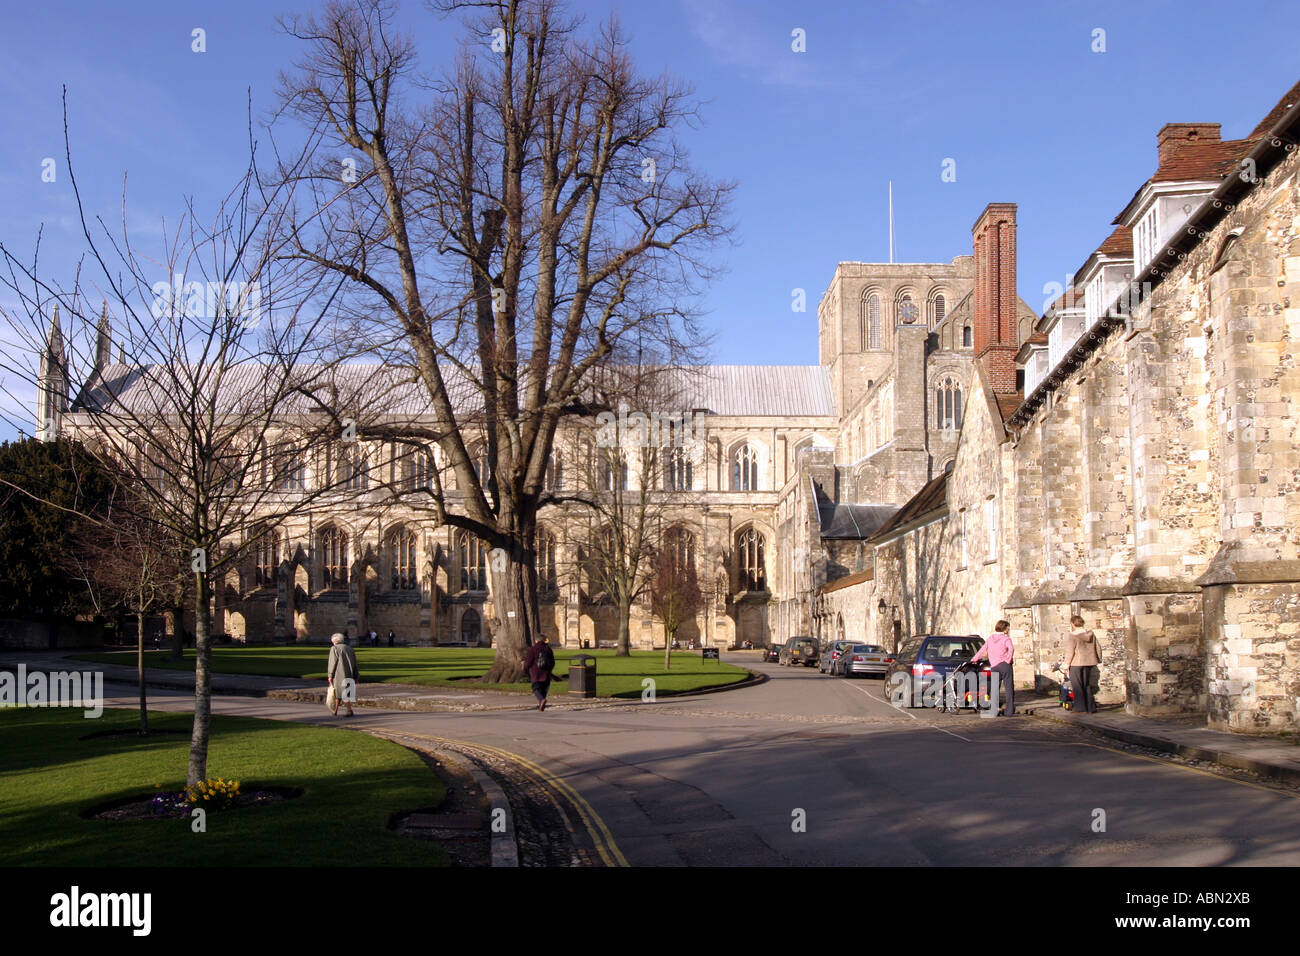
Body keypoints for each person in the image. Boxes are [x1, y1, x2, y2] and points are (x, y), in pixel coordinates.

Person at [969, 620, 1016, 716]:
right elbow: (1011, 650)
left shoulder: (990, 639)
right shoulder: (1006, 639)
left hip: (994, 666)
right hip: (1005, 665)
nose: (1008, 629)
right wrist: (1007, 660)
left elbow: (982, 650)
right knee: (1009, 688)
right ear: (1004, 628)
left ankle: (994, 710)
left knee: (994, 689)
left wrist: (974, 659)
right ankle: (1009, 711)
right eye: (1007, 628)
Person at [1063, 615, 1102, 714]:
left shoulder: (1073, 635)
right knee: (1086, 685)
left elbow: (1070, 651)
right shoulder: (1090, 634)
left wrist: (1066, 664)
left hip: (1076, 663)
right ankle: (1090, 707)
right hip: (1089, 662)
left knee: (1077, 686)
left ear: (1072, 624)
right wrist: (1098, 659)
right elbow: (1098, 647)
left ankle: (1080, 708)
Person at [522, 634, 561, 711]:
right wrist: (549, 669)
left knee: (536, 688)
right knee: (544, 689)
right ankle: (541, 705)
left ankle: (541, 700)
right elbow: (552, 662)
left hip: (536, 672)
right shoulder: (548, 649)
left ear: (536, 640)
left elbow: (528, 662)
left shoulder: (533, 649)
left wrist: (525, 670)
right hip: (546, 672)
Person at [327, 632, 359, 717]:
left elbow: (332, 663)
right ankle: (335, 710)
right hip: (350, 673)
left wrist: (330, 675)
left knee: (342, 693)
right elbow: (355, 663)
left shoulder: (334, 649)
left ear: (334, 641)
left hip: (339, 674)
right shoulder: (350, 648)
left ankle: (349, 710)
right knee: (340, 693)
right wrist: (356, 676)